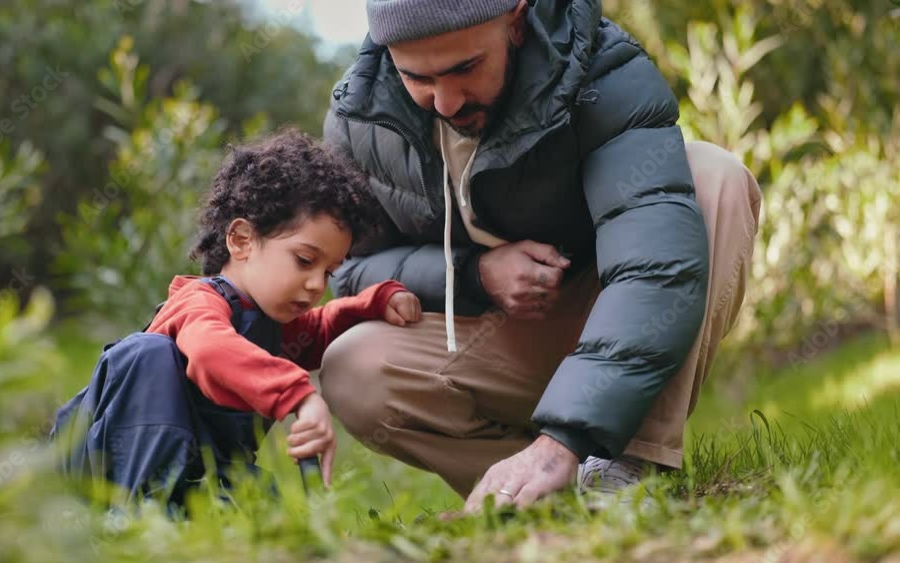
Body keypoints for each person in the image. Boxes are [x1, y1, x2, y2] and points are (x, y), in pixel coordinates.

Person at [319, 0, 763, 511]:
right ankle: (534, 494)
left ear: (515, 19)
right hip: (495, 335)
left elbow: (653, 263)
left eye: (465, 68)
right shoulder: (361, 114)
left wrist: (565, 440)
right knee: (351, 366)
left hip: (609, 311)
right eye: (417, 77)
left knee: (713, 177)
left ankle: (629, 467)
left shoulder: (604, 70)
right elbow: (350, 270)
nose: (445, 102)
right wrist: (473, 275)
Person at [51, 129, 422, 506]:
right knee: (148, 352)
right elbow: (213, 350)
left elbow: (323, 326)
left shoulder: (272, 325)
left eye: (329, 272)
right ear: (241, 239)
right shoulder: (199, 303)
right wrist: (301, 397)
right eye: (305, 261)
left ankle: (186, 512)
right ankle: (129, 519)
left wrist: (376, 301)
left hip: (201, 467)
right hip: (109, 464)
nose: (315, 285)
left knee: (275, 510)